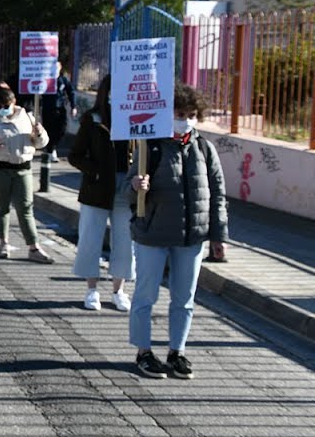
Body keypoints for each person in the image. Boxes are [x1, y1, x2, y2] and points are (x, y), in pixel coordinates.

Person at [128, 84, 228, 380]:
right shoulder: (150, 146)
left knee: (184, 298)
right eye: (179, 113)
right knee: (146, 295)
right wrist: (135, 187)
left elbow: (218, 193)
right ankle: (143, 352)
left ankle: (177, 351)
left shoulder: (203, 148)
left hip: (191, 237)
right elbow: (128, 191)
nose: (185, 119)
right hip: (152, 233)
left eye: (190, 114)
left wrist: (218, 236)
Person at [68, 75, 134, 311]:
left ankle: (119, 291)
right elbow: (74, 155)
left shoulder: (135, 120)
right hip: (96, 189)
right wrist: (95, 171)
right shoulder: (92, 119)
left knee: (125, 242)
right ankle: (91, 290)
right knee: (90, 239)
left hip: (126, 188)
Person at [0, 86, 53, 262]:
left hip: (22, 168)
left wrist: (39, 134)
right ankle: (3, 243)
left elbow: (41, 143)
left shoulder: (27, 117)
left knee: (25, 208)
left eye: (5, 105)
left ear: (14, 102)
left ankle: (34, 247)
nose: (2, 109)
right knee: (2, 207)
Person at [42, 60, 77, 162]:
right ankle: (50, 151)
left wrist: (73, 106)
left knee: (62, 129)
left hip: (60, 108)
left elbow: (71, 92)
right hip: (48, 109)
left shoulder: (63, 80)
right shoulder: (46, 80)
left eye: (57, 67)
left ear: (60, 68)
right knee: (49, 130)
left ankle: (52, 148)